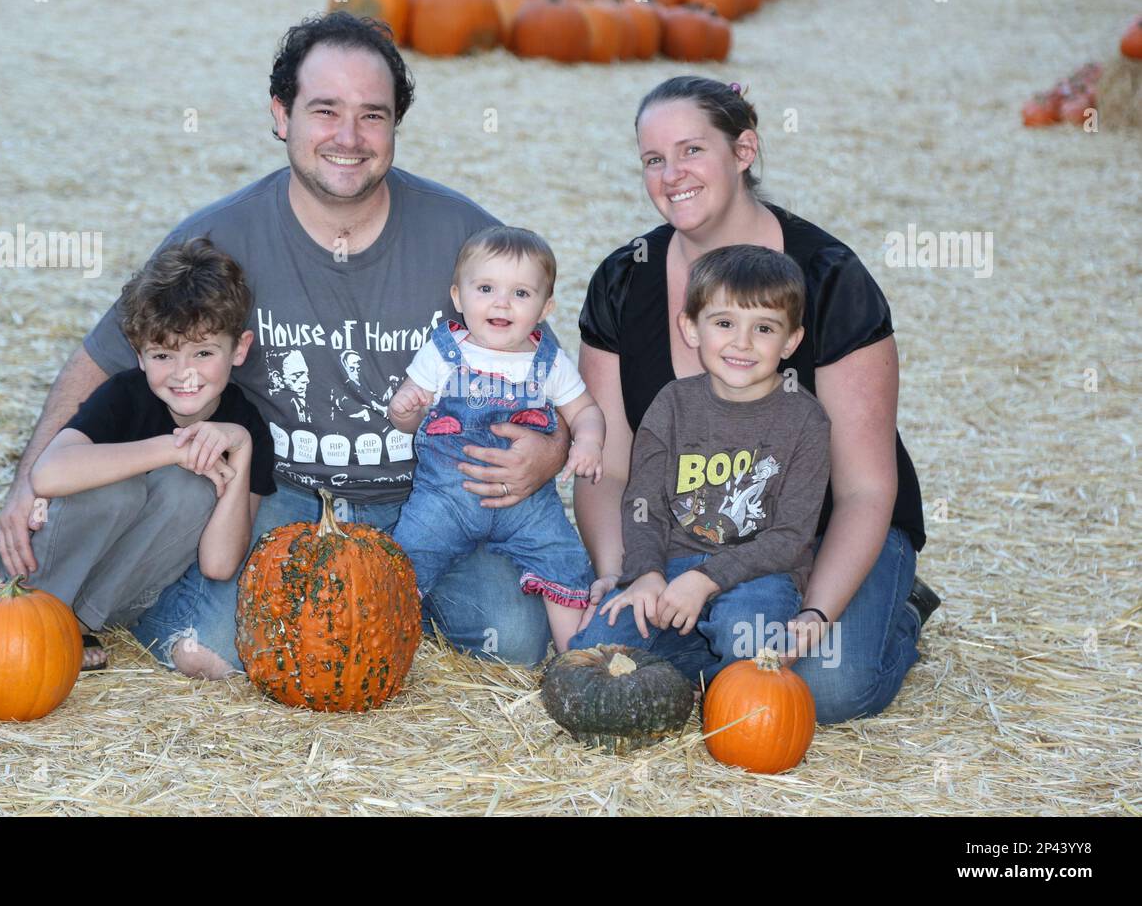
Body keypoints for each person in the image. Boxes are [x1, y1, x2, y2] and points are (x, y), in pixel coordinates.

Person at [0, 12, 568, 679]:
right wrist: (24, 487)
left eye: (372, 115)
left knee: (516, 638)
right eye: (325, 110)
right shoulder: (218, 237)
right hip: (278, 495)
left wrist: (549, 450)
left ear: (394, 128)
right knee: (215, 650)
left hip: (430, 498)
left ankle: (393, 601)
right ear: (280, 115)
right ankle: (146, 602)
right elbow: (102, 361)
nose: (349, 137)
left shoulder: (465, 237)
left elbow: (544, 369)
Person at [573, 77, 939, 724]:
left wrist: (815, 611)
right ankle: (709, 648)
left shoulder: (827, 278)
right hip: (689, 534)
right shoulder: (623, 279)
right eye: (653, 160)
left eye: (691, 151)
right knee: (607, 664)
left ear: (744, 151)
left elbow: (864, 491)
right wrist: (625, 573)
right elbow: (614, 466)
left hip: (824, 529)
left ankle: (896, 609)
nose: (671, 175)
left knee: (825, 685)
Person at [0, 238, 274, 669]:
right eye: (163, 354)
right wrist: (169, 448)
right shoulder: (124, 394)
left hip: (115, 592)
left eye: (203, 352)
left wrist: (243, 450)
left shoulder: (245, 425)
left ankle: (77, 623)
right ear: (139, 354)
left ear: (239, 348)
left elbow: (219, 565)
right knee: (118, 489)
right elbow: (48, 476)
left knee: (192, 490)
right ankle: (39, 612)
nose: (185, 374)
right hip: (48, 559)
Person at [571, 244, 829, 684]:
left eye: (764, 328)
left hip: (759, 575)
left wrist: (708, 579)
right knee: (592, 654)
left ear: (791, 341)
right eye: (724, 323)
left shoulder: (804, 419)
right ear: (691, 329)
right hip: (672, 563)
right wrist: (647, 574)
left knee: (740, 635)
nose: (742, 342)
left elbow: (791, 536)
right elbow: (643, 506)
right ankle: (692, 667)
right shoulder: (671, 405)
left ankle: (715, 672)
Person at [388, 227, 606, 654]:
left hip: (526, 505)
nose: (502, 302)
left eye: (521, 293)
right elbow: (408, 422)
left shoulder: (549, 363)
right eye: (485, 288)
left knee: (564, 561)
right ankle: (384, 642)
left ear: (546, 308)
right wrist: (406, 408)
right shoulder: (444, 352)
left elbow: (586, 411)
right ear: (458, 296)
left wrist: (589, 441)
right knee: (406, 561)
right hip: (446, 498)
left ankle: (575, 659)